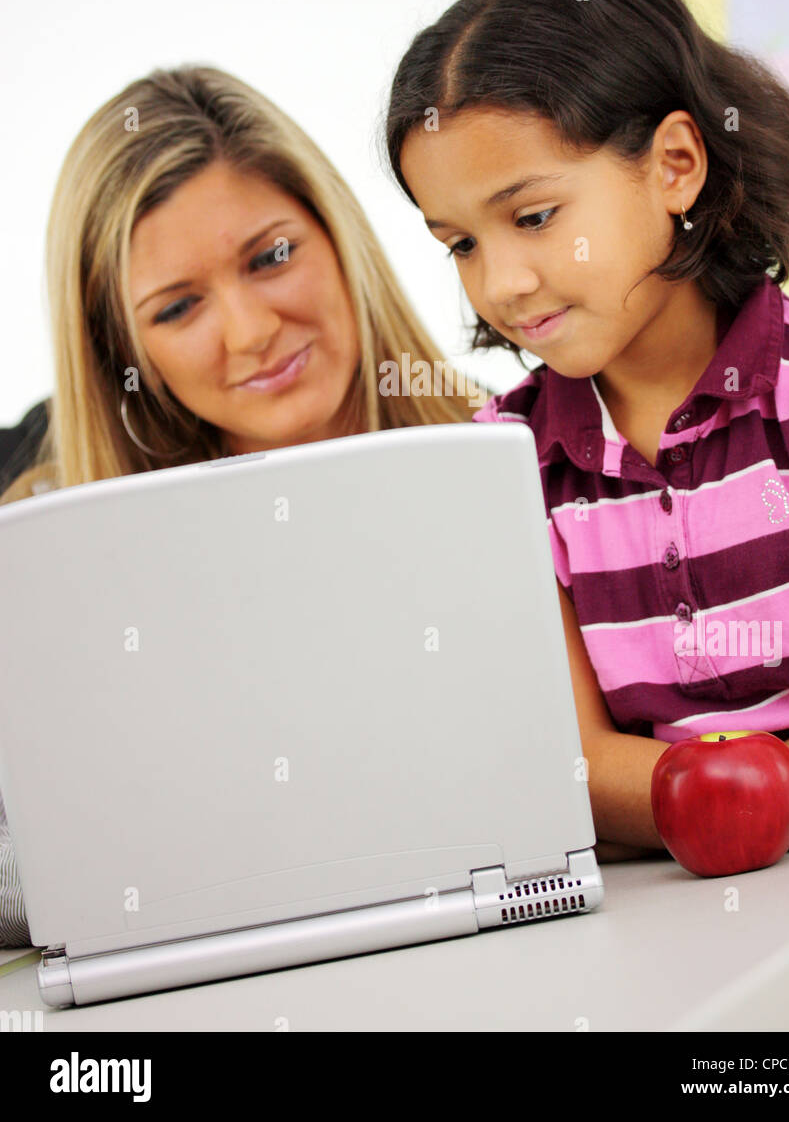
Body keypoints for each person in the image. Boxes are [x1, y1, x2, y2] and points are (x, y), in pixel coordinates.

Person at [382, 0, 789, 869]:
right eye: (459, 244)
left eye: (531, 218)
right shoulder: (497, 468)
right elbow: (570, 772)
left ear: (675, 165)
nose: (504, 282)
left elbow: (617, 783)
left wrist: (693, 797)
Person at [0, 64, 487, 945]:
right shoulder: (59, 561)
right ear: (123, 352)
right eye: (179, 307)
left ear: (336, 234)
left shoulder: (522, 456)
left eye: (271, 257)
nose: (250, 330)